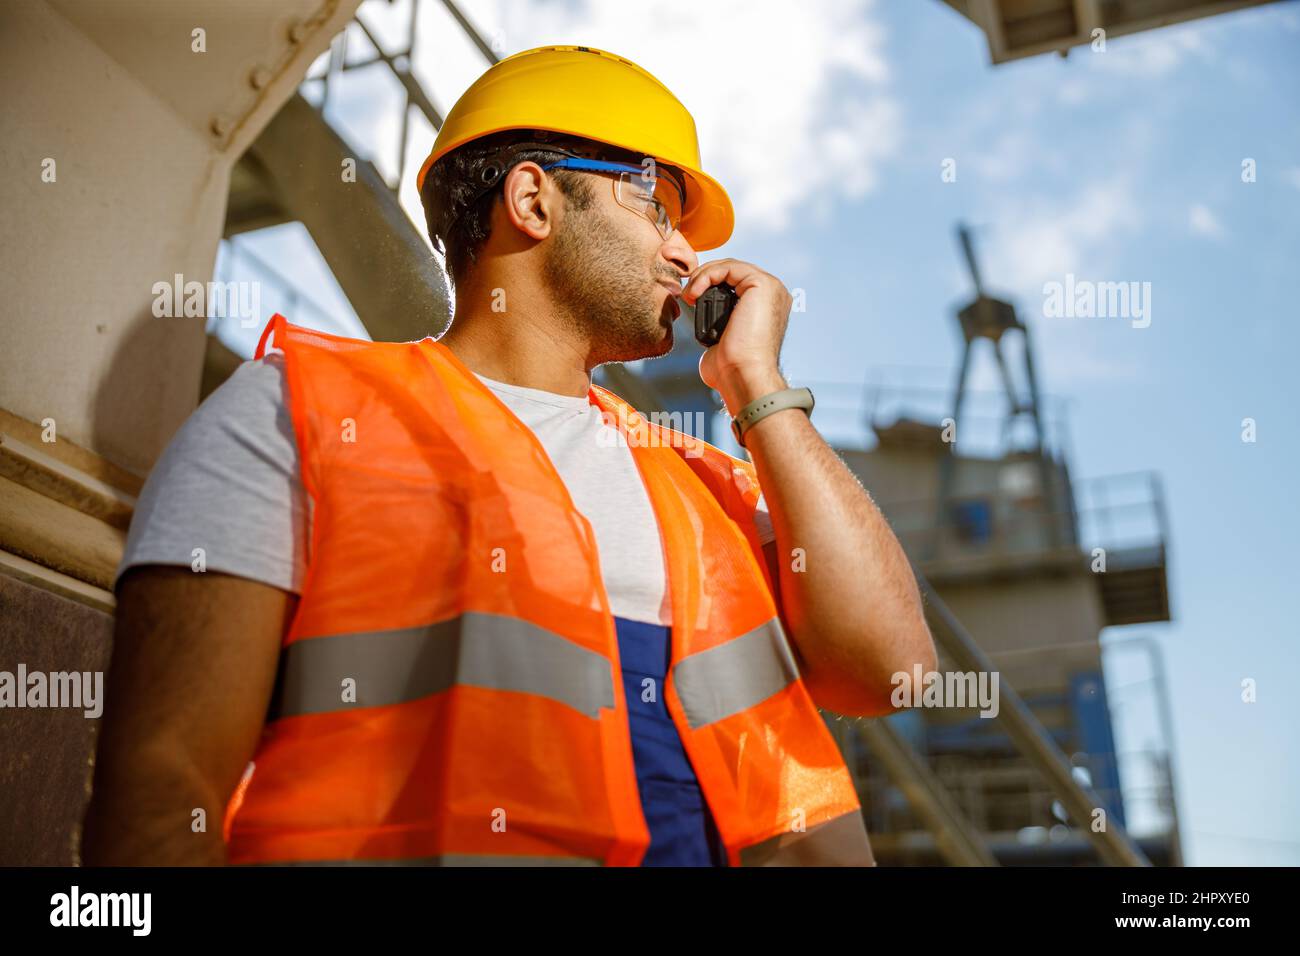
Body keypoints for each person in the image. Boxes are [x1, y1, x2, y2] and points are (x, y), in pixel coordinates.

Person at [82, 45, 934, 867]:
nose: (685, 253)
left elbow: (893, 673)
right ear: (533, 199)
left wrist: (759, 386)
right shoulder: (294, 412)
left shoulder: (704, 479)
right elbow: (163, 791)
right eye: (656, 208)